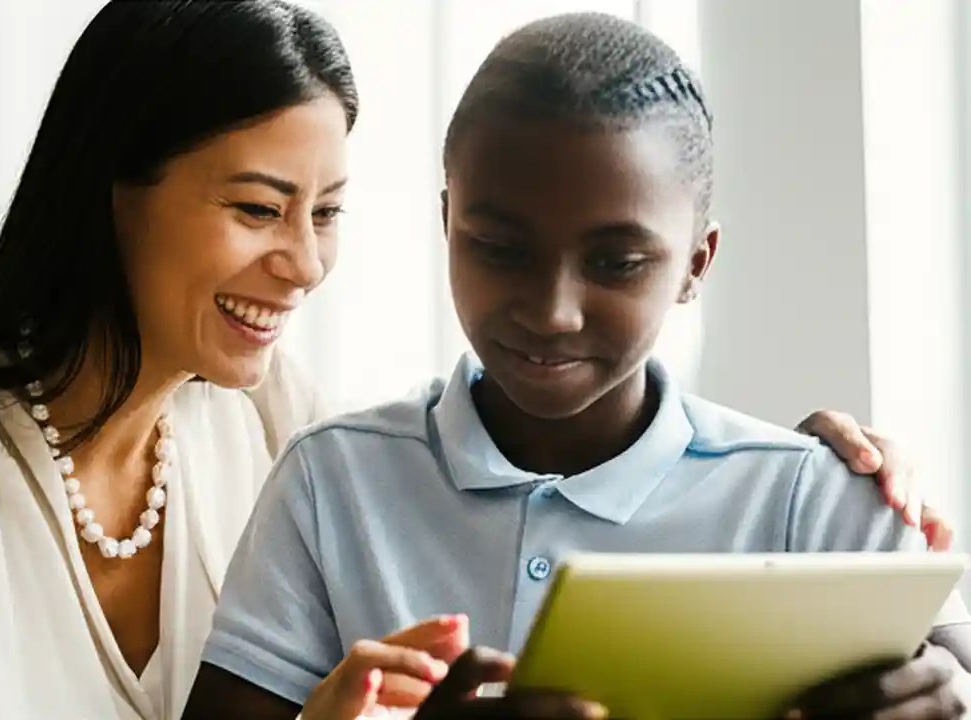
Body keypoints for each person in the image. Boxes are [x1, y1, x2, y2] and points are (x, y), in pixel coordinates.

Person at [0, 3, 946, 719]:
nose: (302, 265)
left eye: (327, 213)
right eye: (257, 207)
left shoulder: (279, 423)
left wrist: (799, 478)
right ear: (108, 194)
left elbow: (507, 433)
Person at [183, 12, 971, 720]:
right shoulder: (333, 484)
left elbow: (951, 681)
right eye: (501, 249)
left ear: (696, 264)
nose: (552, 309)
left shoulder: (819, 503)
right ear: (448, 220)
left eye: (616, 261)